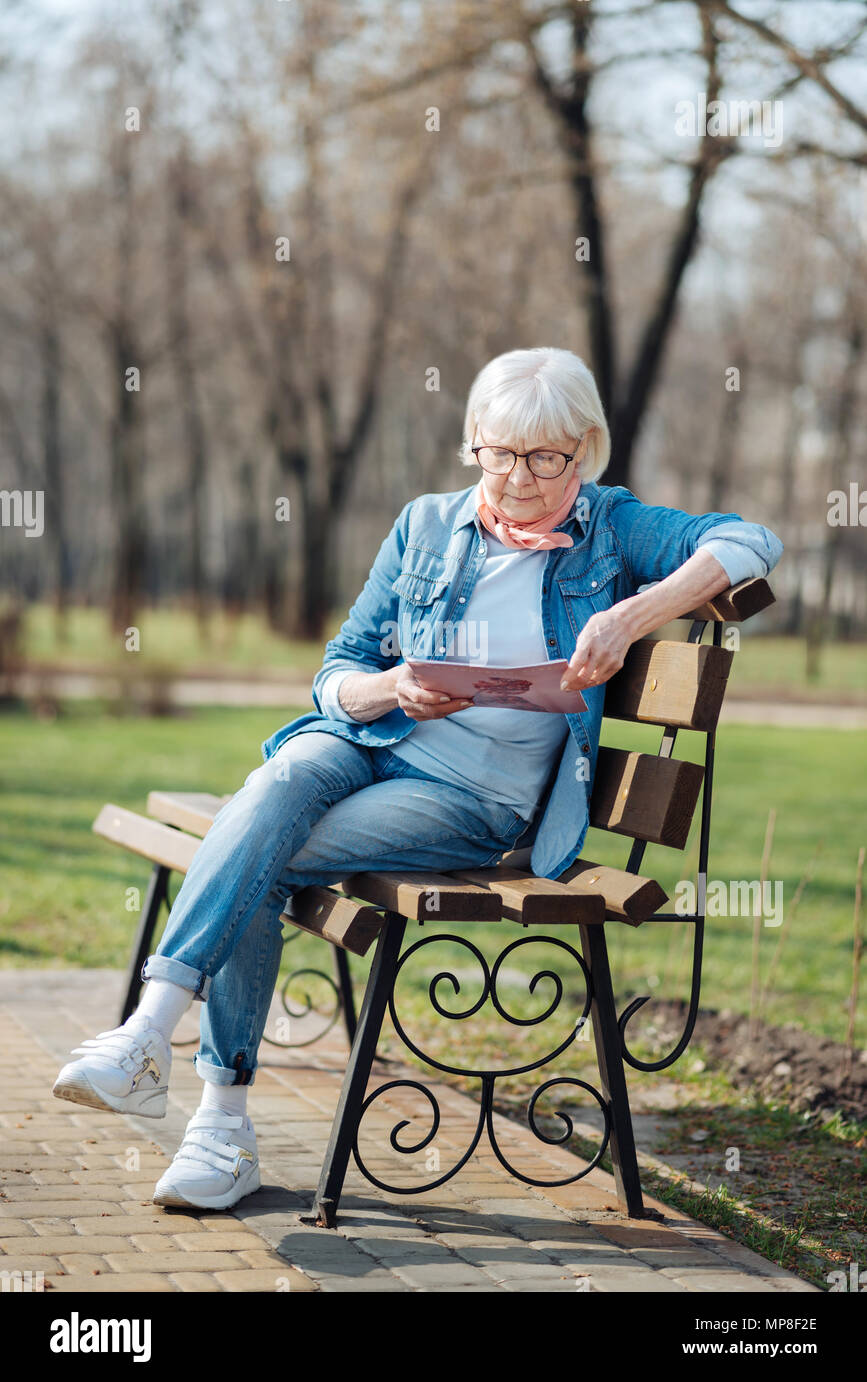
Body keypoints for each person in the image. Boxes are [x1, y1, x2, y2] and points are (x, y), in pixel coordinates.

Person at [53, 346, 783, 1210]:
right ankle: (152, 1039)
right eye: (500, 452)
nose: (517, 477)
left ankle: (211, 1115)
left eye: (545, 457)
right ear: (472, 439)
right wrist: (389, 687)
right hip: (370, 742)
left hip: (474, 802)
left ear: (584, 449)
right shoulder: (426, 525)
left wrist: (630, 615)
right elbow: (338, 670)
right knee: (283, 779)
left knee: (253, 845)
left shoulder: (614, 529)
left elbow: (750, 541)